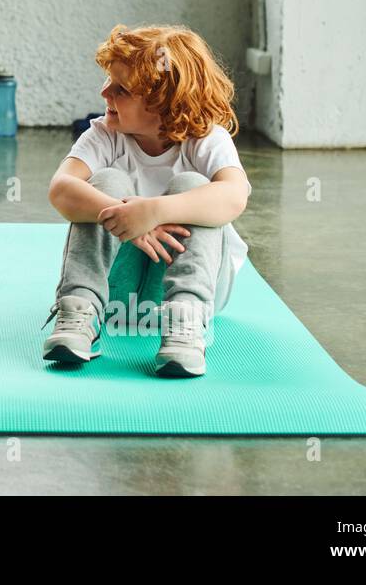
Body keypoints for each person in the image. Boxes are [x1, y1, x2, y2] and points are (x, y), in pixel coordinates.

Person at [43, 24, 252, 377]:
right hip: (118, 295)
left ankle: (185, 327)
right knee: (105, 181)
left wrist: (152, 212)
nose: (104, 92)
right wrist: (125, 222)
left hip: (190, 289)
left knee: (193, 184)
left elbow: (234, 196)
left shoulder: (206, 140)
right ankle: (80, 313)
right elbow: (61, 189)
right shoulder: (104, 134)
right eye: (108, 81)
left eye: (121, 89)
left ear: (162, 104)